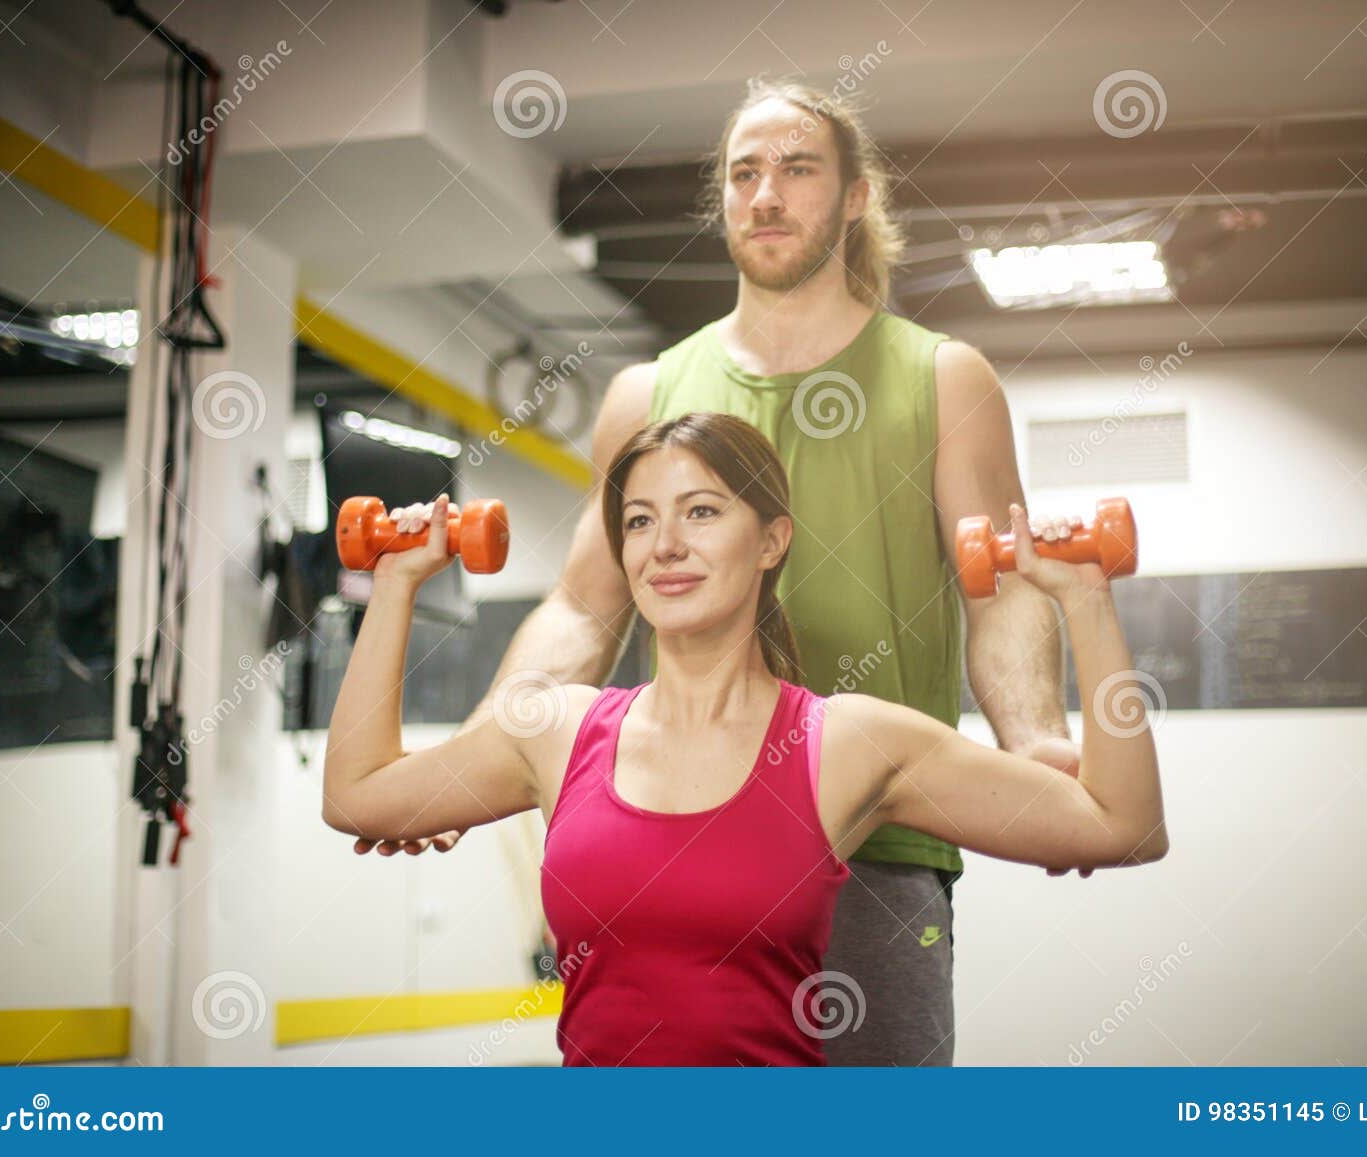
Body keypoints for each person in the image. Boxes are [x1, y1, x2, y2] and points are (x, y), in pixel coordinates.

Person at [353, 78, 1083, 1066]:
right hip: (671, 847)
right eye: (743, 173)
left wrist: (1035, 740)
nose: (766, 194)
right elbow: (579, 607)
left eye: (797, 169)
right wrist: (473, 762)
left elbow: (999, 588)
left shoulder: (940, 376)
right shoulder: (646, 392)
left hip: (877, 847)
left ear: (855, 197)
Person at [323, 413, 1167, 1066]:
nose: (667, 546)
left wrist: (1085, 600)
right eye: (642, 520)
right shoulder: (556, 728)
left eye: (701, 511)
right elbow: (358, 793)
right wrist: (393, 584)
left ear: (771, 539)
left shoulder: (846, 742)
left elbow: (1118, 825)